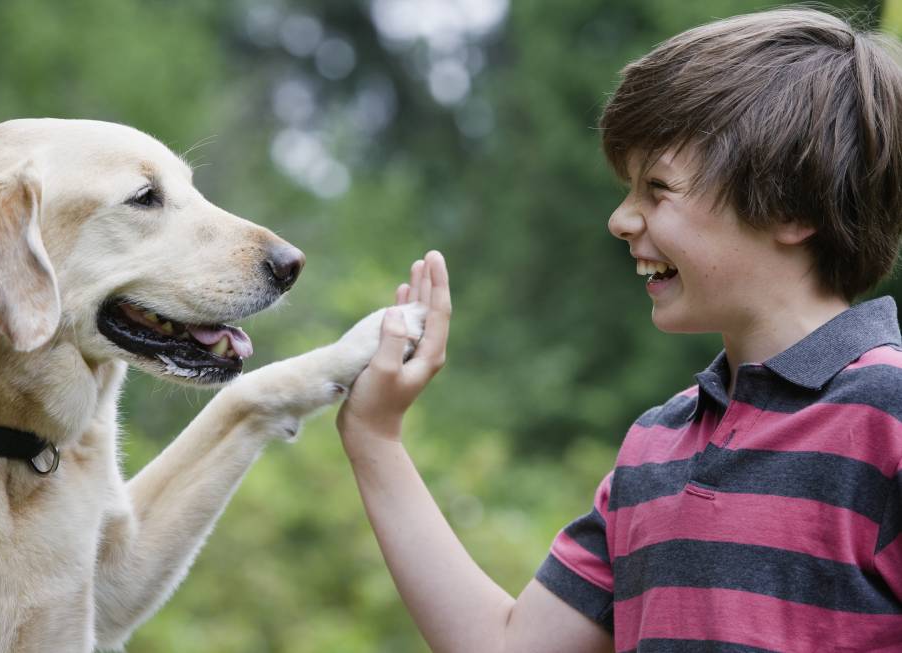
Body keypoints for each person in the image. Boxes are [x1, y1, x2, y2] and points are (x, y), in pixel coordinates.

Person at [335, 7, 902, 652]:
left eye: (658, 188)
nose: (621, 219)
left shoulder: (889, 417)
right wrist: (374, 437)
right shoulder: (655, 446)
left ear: (790, 206)